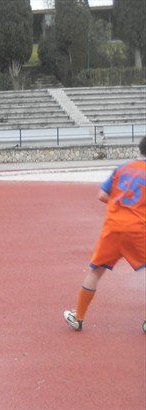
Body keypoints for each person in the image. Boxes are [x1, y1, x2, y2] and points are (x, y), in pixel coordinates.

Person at [64, 136, 146, 332]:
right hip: (138, 229)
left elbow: (102, 195)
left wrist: (122, 206)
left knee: (96, 271)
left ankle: (79, 317)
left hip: (113, 227)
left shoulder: (121, 168)